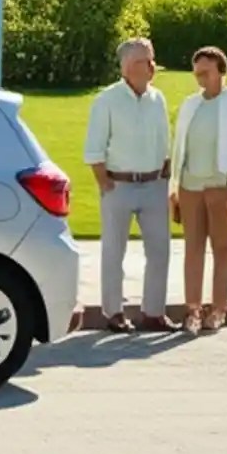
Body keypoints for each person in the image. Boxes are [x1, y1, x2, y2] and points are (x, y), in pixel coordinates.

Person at [83, 38, 175, 333]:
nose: (151, 67)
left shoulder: (158, 99)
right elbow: (94, 149)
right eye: (143, 61)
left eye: (151, 60)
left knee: (160, 250)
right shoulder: (106, 101)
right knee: (114, 252)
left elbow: (165, 143)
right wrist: (105, 183)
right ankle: (114, 314)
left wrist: (166, 180)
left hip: (153, 185)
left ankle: (153, 313)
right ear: (126, 68)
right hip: (118, 186)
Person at [169, 46, 227, 334]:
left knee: (222, 247)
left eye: (205, 73)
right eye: (196, 74)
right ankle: (193, 309)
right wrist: (175, 188)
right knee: (193, 248)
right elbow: (179, 146)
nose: (200, 79)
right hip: (191, 184)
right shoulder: (190, 104)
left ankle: (219, 309)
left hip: (222, 184)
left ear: (220, 69)